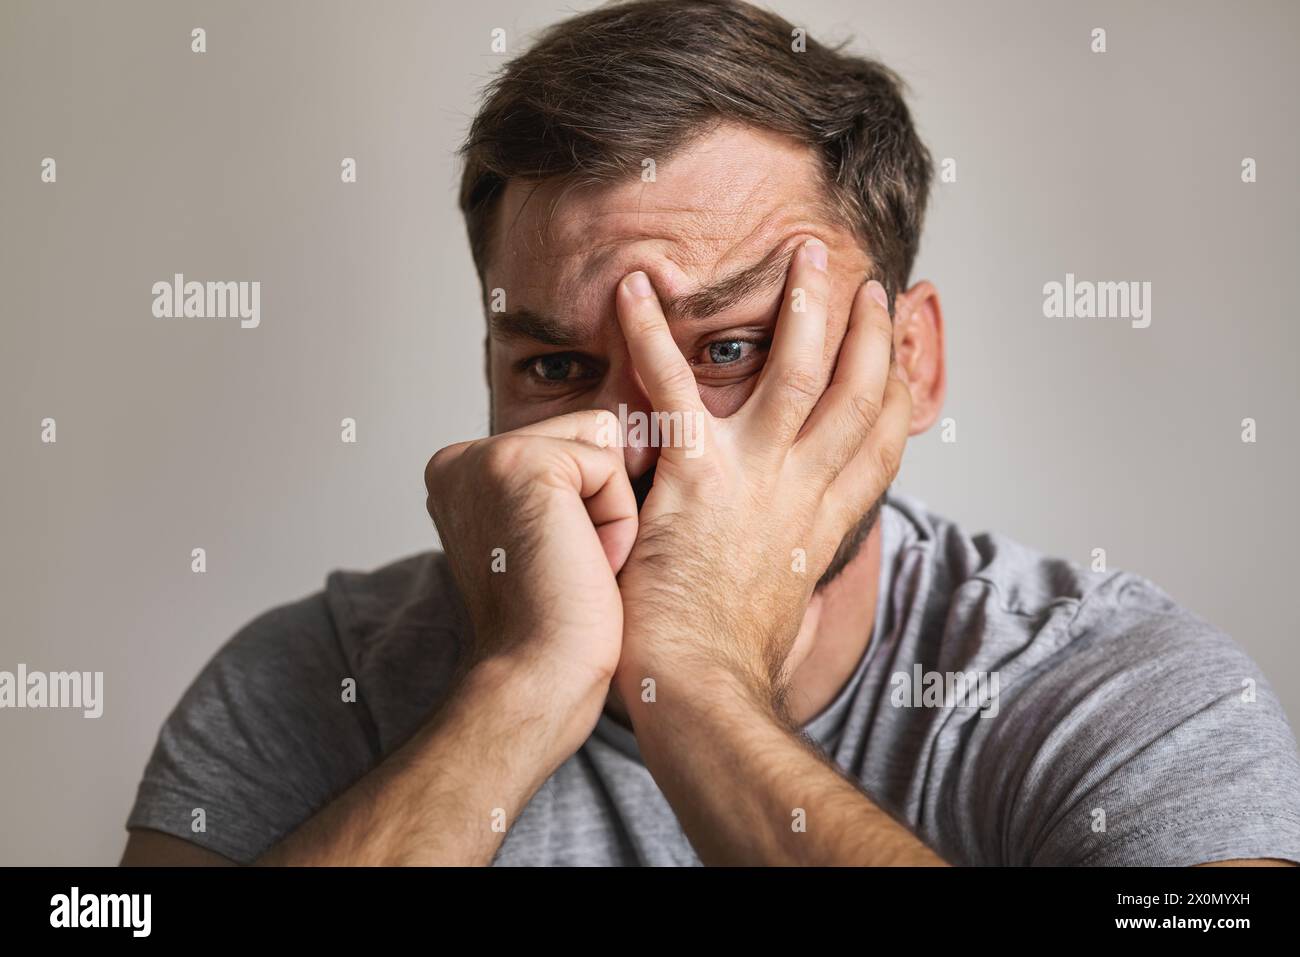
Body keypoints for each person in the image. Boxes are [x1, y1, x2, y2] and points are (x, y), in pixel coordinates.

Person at [121, 0, 1300, 866]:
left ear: (911, 362)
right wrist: (518, 693)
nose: (646, 438)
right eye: (557, 367)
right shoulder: (308, 684)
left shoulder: (1130, 700)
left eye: (729, 348)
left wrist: (693, 676)